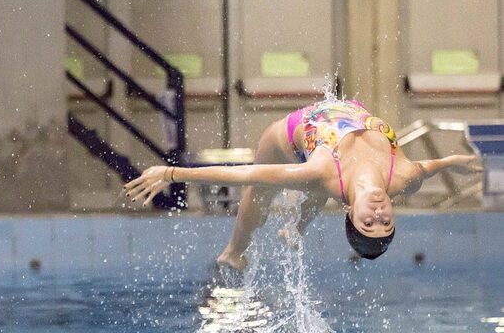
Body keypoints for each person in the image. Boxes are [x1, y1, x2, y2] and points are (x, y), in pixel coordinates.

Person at [124, 98, 483, 267]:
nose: (377, 213)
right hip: (339, 121)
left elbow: (245, 173)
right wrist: (456, 161)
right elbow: (433, 165)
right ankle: (294, 228)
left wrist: (171, 173)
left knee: (263, 192)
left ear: (350, 213)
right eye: (384, 221)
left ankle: (233, 251)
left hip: (284, 137)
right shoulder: (403, 176)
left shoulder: (324, 172)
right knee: (315, 192)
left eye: (367, 222)